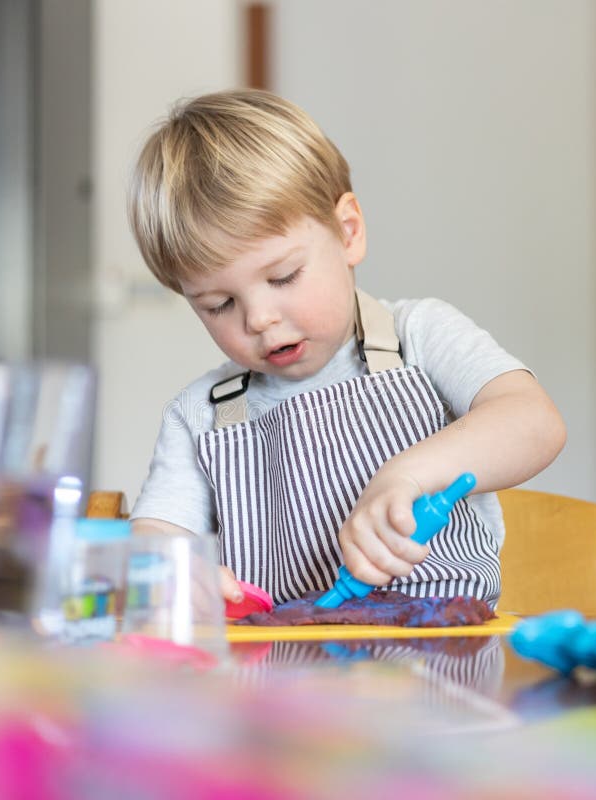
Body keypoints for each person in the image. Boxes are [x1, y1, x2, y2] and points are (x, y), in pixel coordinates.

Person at [127, 89, 566, 609]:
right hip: (286, 676)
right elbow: (157, 533)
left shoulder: (419, 336)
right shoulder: (199, 416)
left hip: (439, 667)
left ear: (348, 231)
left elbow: (535, 424)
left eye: (284, 276)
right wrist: (173, 572)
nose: (259, 318)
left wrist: (407, 476)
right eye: (218, 304)